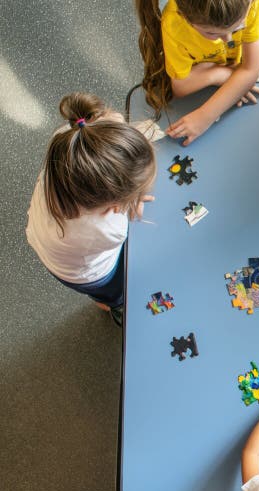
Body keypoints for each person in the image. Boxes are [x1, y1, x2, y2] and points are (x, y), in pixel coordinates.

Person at [26, 93, 156, 326]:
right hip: (86, 272)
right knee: (113, 290)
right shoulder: (109, 229)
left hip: (43, 235)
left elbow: (110, 120)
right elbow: (122, 229)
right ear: (114, 205)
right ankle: (113, 304)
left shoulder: (72, 140)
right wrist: (132, 207)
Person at [135, 0, 259, 146]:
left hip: (230, 67)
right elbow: (180, 88)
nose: (227, 39)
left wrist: (204, 117)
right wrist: (220, 75)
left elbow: (252, 70)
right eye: (212, 33)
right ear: (185, 17)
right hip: (224, 75)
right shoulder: (174, 23)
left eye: (238, 27)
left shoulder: (252, 3)